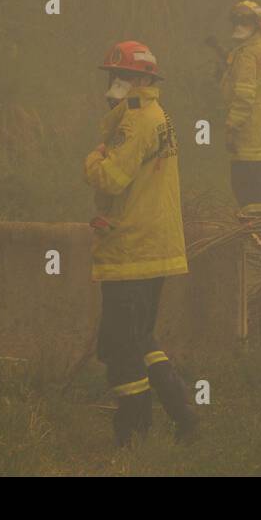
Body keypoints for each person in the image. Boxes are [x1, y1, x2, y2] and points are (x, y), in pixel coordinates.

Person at [84, 39, 197, 446]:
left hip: (132, 249)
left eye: (124, 76)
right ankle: (183, 415)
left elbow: (111, 178)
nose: (116, 83)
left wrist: (94, 158)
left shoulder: (136, 122)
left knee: (120, 348)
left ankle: (133, 433)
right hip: (151, 248)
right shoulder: (154, 114)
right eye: (114, 75)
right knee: (140, 340)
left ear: (142, 80)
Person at [221, 0, 261, 220]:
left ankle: (255, 229)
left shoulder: (247, 54)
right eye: (237, 20)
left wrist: (232, 126)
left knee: (245, 181)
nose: (239, 24)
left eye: (244, 20)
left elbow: (244, 97)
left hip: (249, 128)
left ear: (256, 24)